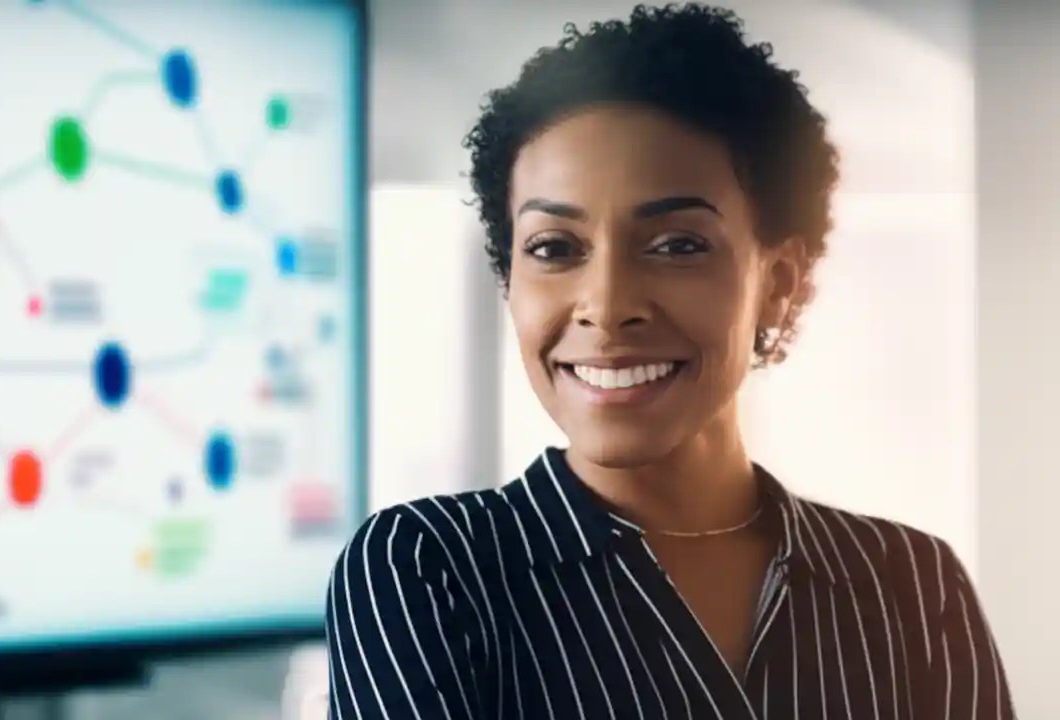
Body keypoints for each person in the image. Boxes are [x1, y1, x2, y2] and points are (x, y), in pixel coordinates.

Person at [326, 4, 1014, 718]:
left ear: (777, 285)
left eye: (677, 245)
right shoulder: (428, 569)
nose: (607, 304)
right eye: (555, 248)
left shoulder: (912, 586)